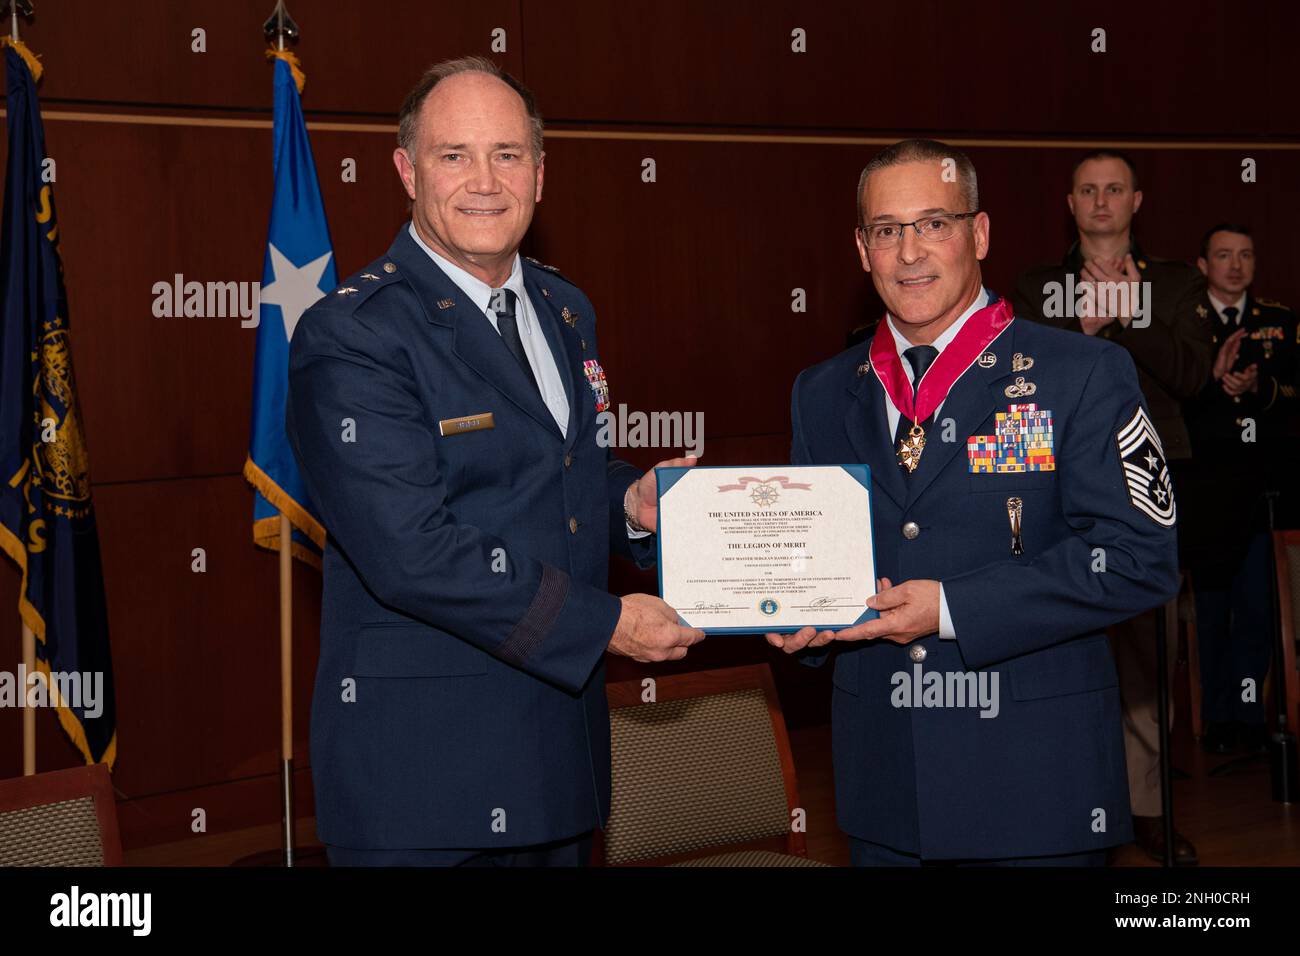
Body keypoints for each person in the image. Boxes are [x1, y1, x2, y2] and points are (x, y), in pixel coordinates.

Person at [286, 56, 703, 867]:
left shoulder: (563, 306)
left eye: (508, 154)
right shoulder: (354, 335)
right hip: (428, 783)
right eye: (455, 155)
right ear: (407, 170)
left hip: (561, 761)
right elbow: (411, 551)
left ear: (540, 175)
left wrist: (631, 504)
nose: (485, 180)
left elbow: (556, 477)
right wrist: (607, 622)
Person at [770, 139, 1179, 865]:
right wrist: (795, 617)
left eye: (934, 222)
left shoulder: (1081, 374)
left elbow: (1139, 560)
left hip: (1034, 790)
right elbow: (813, 558)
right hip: (883, 790)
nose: (910, 252)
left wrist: (953, 610)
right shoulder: (822, 391)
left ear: (979, 233)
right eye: (887, 230)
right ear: (862, 249)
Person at [1011, 151, 1211, 865]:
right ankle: (1067, 800)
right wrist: (1087, 334)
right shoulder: (1037, 287)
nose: (1101, 201)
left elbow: (1192, 377)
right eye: (1088, 190)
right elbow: (1018, 381)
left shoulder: (1178, 283)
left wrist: (1131, 317)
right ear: (1070, 202)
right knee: (1059, 643)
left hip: (1150, 488)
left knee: (1150, 650)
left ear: (1136, 200)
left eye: (1114, 189)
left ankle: (1148, 807)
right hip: (1057, 489)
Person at [1182, 224, 1298, 755]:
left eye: (1246, 255)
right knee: (1209, 607)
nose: (1235, 265)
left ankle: (1252, 717)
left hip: (1261, 489)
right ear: (1203, 265)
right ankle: (1217, 717)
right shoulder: (1184, 322)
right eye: (1224, 255)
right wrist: (1212, 378)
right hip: (1202, 490)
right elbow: (1165, 393)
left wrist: (1261, 389)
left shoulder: (1278, 321)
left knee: (1255, 605)